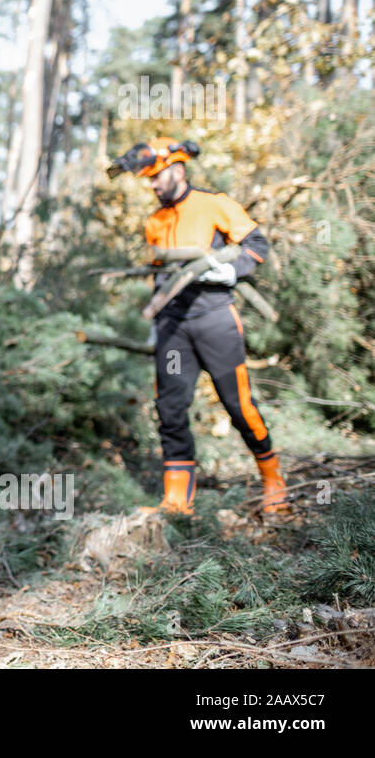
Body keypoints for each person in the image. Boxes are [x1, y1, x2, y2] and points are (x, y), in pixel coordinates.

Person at [114, 137, 287, 515]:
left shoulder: (214, 204)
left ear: (177, 170)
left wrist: (233, 269)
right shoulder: (154, 222)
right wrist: (156, 321)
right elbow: (160, 276)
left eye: (157, 177)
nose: (153, 186)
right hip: (174, 331)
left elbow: (256, 244)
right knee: (171, 408)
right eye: (149, 180)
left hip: (215, 322)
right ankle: (178, 500)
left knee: (238, 405)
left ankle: (273, 479)